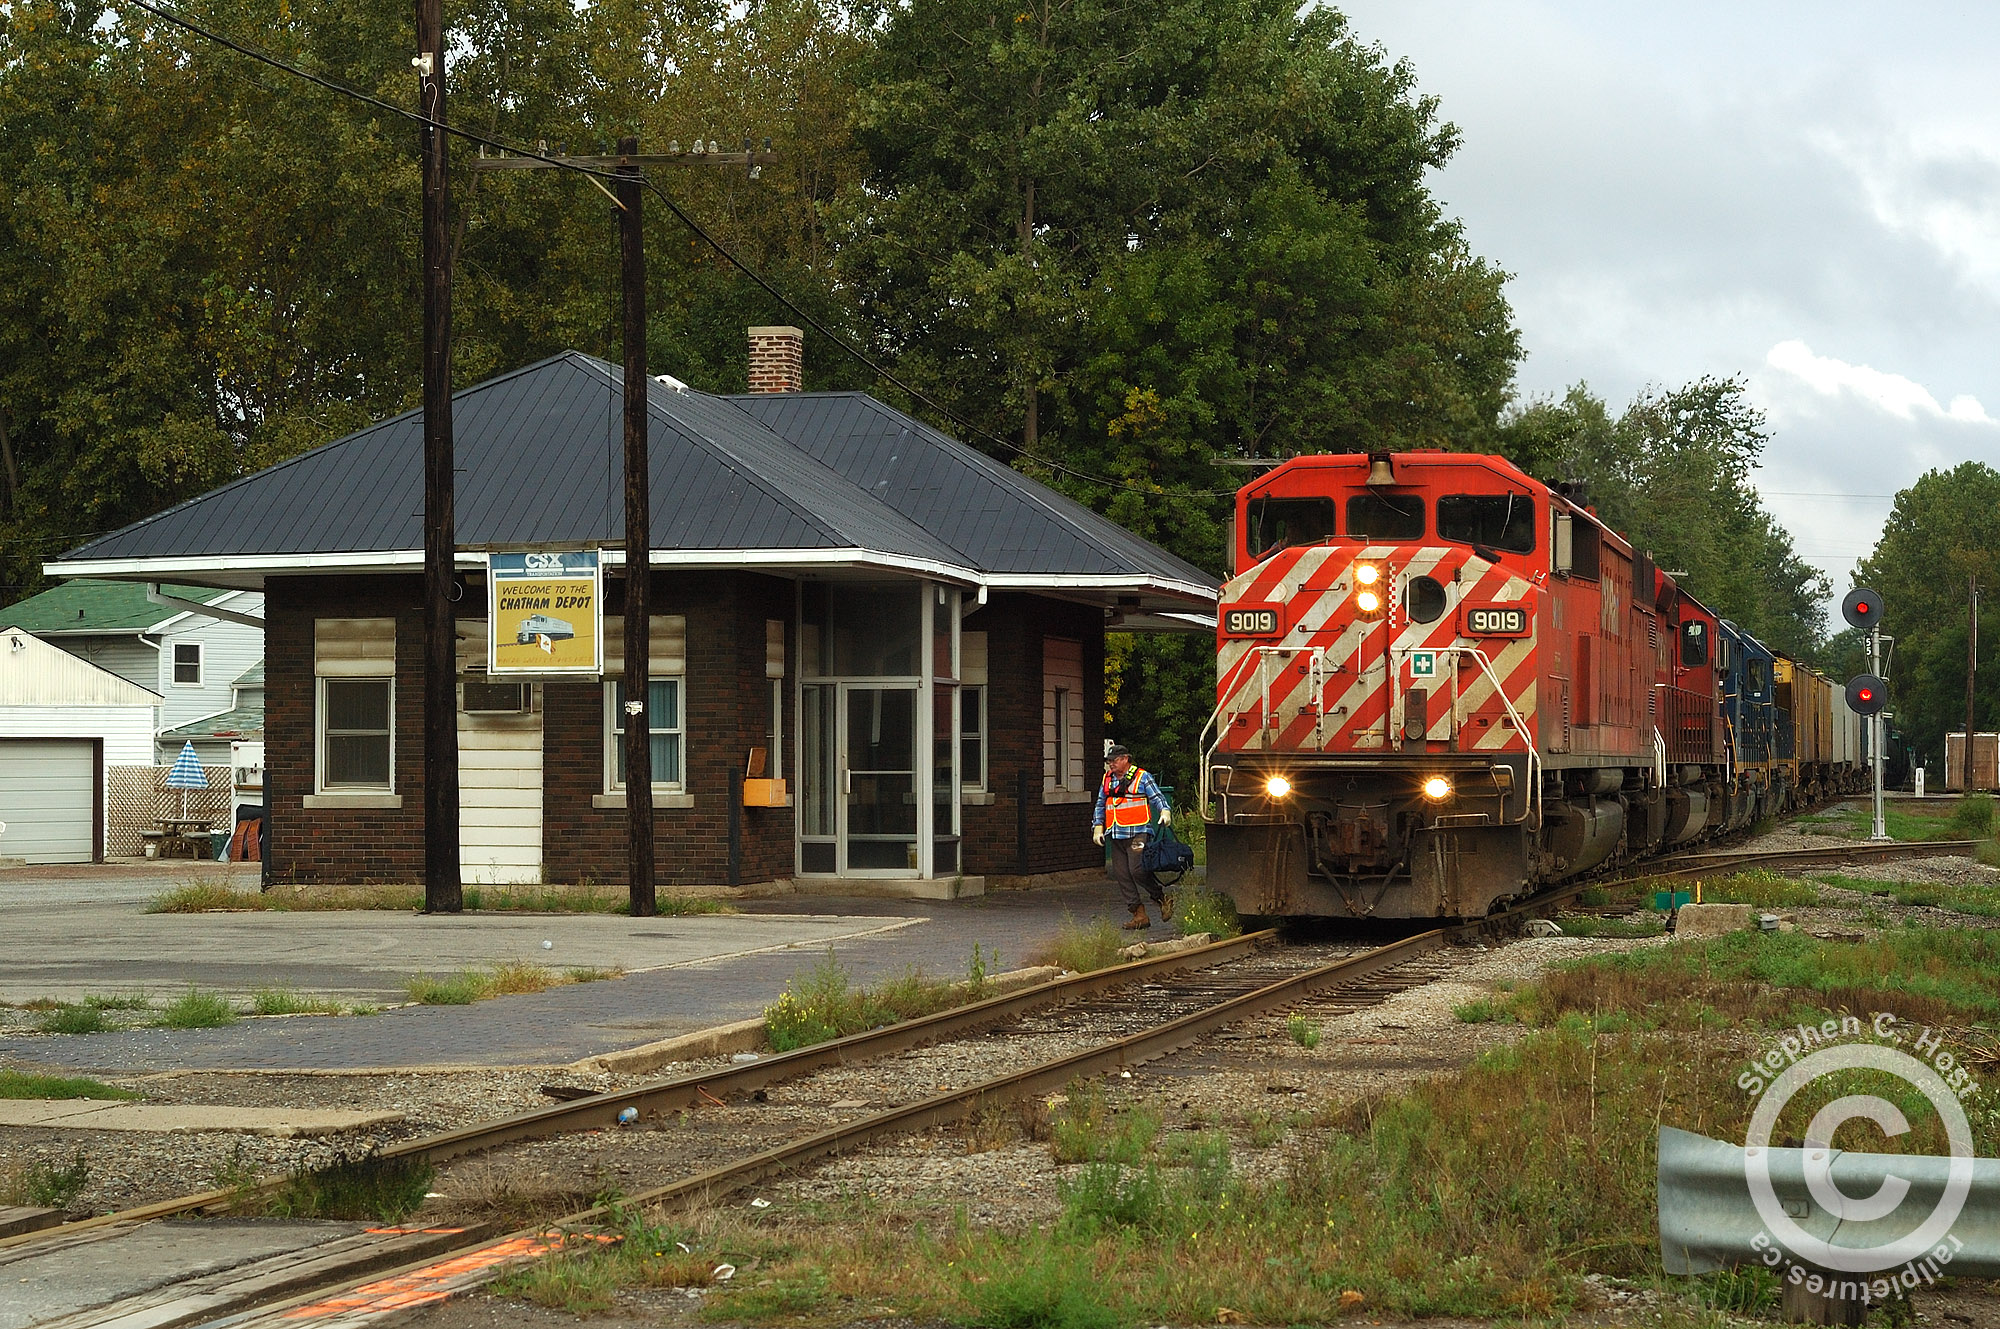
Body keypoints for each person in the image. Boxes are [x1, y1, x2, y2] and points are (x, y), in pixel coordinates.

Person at [1093, 745, 1173, 930]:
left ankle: (1161, 897)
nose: (1111, 764)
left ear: (1126, 759)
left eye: (1114, 760)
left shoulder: (1142, 777)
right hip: (1116, 834)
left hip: (1138, 833)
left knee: (1136, 869)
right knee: (1122, 875)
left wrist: (1165, 810)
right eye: (1109, 761)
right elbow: (1100, 804)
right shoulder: (1107, 780)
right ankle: (1138, 914)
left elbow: (1157, 797)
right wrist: (1098, 826)